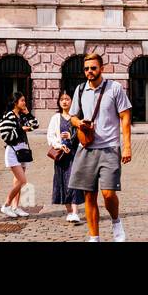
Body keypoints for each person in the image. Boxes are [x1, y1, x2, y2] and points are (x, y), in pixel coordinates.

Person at [68, 53, 133, 242]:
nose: (90, 71)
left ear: (102, 69)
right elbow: (72, 116)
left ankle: (116, 221)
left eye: (93, 68)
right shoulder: (80, 90)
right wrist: (79, 123)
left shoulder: (115, 88)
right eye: (87, 68)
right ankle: (94, 237)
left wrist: (126, 146)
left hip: (110, 148)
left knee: (108, 193)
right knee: (89, 195)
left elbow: (125, 117)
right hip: (86, 149)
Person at [0, 93, 39, 219]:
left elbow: (35, 125)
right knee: (22, 181)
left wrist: (27, 114)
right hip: (12, 152)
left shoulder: (21, 115)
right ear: (15, 102)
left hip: (22, 151)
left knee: (17, 180)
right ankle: (6, 205)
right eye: (22, 100)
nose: (24, 103)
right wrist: (21, 129)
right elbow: (5, 136)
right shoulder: (8, 116)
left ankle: (15, 207)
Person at [48, 92, 83, 224]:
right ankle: (69, 212)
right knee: (62, 182)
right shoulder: (55, 118)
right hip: (61, 156)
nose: (64, 102)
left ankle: (75, 212)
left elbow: (82, 135)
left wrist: (71, 137)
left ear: (72, 102)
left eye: (67, 99)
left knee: (73, 182)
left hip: (74, 155)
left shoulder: (76, 118)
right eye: (62, 99)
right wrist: (59, 145)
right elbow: (50, 137)